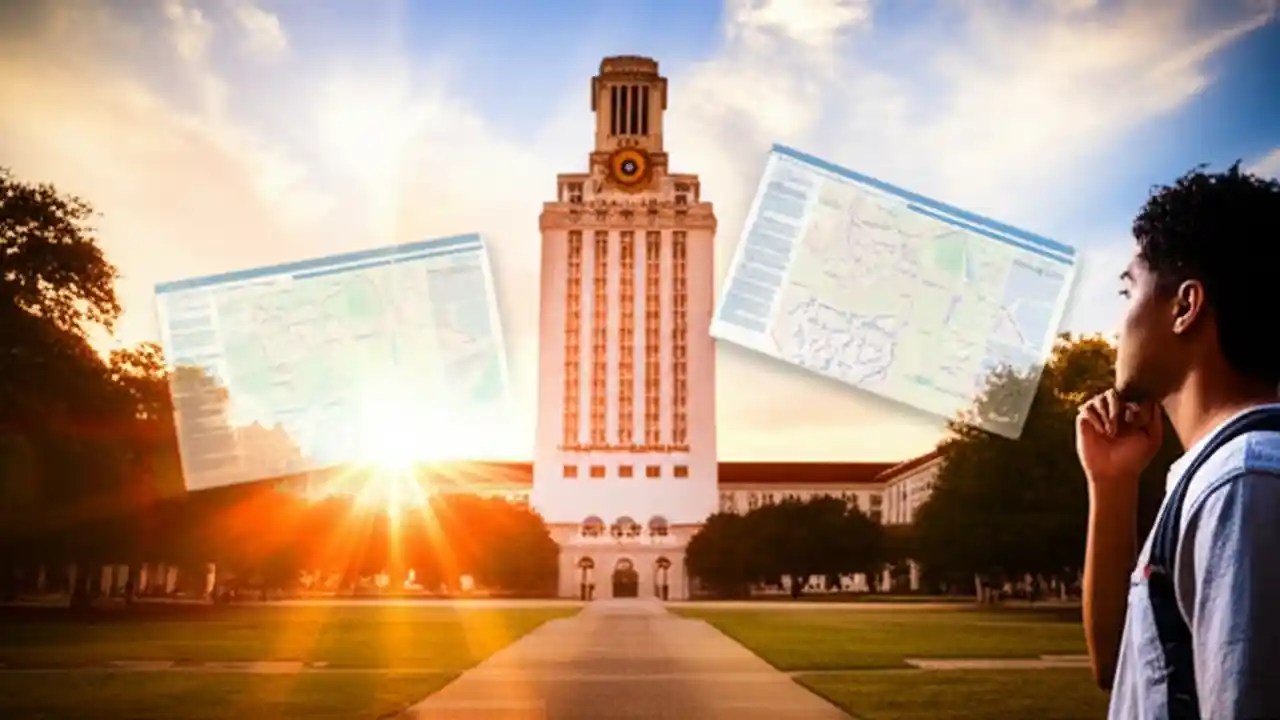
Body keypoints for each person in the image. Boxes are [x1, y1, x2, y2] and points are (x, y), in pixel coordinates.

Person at [1076, 162, 1280, 719]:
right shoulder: (1219, 474)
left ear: (1185, 306)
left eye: (1128, 289)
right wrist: (1113, 485)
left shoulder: (1244, 481)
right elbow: (1122, 670)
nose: (1119, 323)